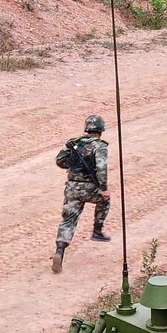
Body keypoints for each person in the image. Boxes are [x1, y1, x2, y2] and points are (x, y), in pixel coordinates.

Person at [53, 113, 113, 273]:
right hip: (90, 187)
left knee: (68, 221)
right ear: (101, 129)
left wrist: (74, 163)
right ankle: (97, 230)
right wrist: (104, 188)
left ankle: (59, 251)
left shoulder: (75, 144)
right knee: (105, 200)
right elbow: (101, 168)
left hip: (72, 188)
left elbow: (60, 161)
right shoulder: (100, 146)